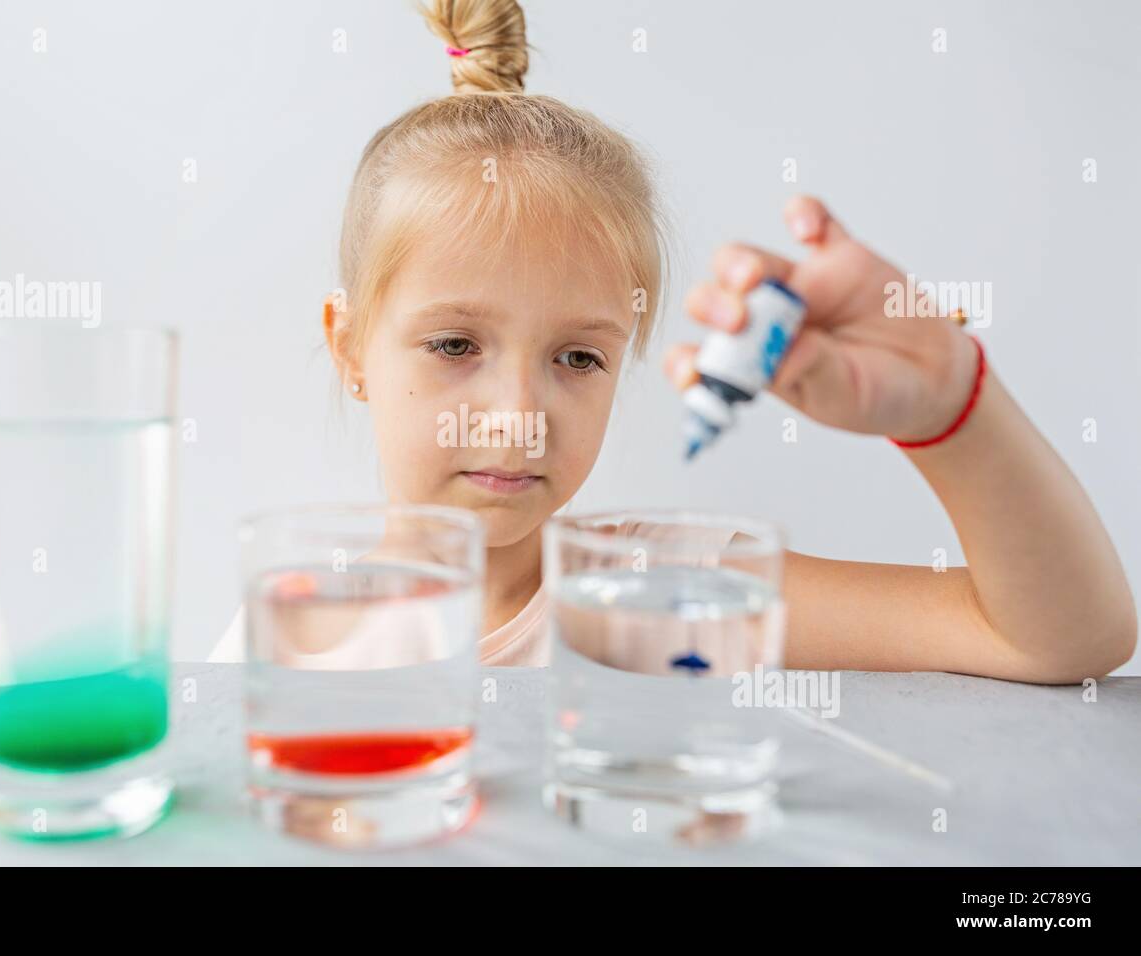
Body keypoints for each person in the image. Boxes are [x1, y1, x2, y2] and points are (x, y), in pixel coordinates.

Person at [208, 0, 1135, 683]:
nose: (520, 419)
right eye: (454, 345)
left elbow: (1057, 640)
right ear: (350, 347)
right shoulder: (288, 634)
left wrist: (954, 411)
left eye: (579, 357)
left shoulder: (668, 595)